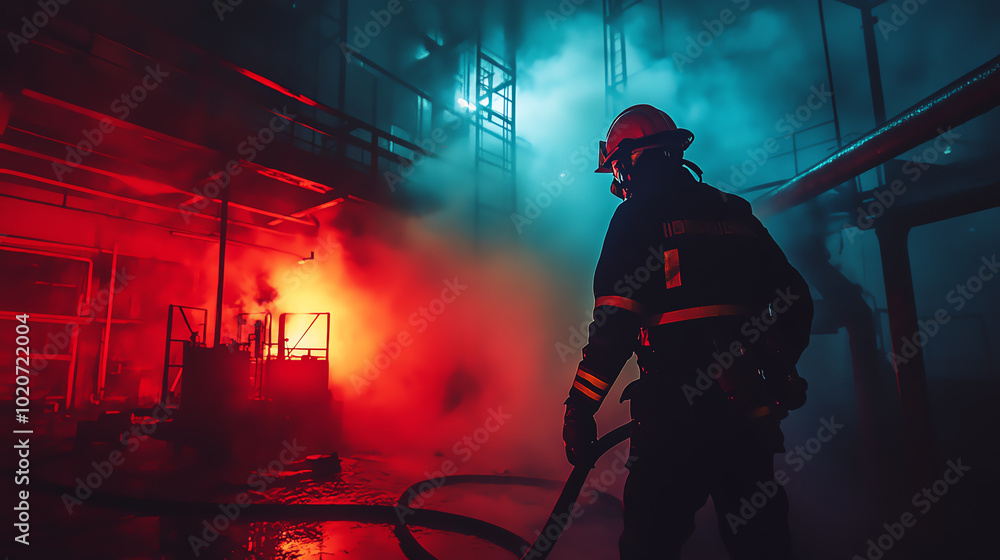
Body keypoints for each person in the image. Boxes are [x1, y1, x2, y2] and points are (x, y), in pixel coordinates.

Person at [562, 105, 813, 559]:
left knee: (650, 545)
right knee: (762, 543)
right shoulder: (734, 213)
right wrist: (776, 366)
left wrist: (579, 408)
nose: (617, 180)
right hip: (747, 414)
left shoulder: (635, 217)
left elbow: (614, 331)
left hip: (673, 420)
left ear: (627, 160)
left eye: (616, 167)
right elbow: (796, 298)